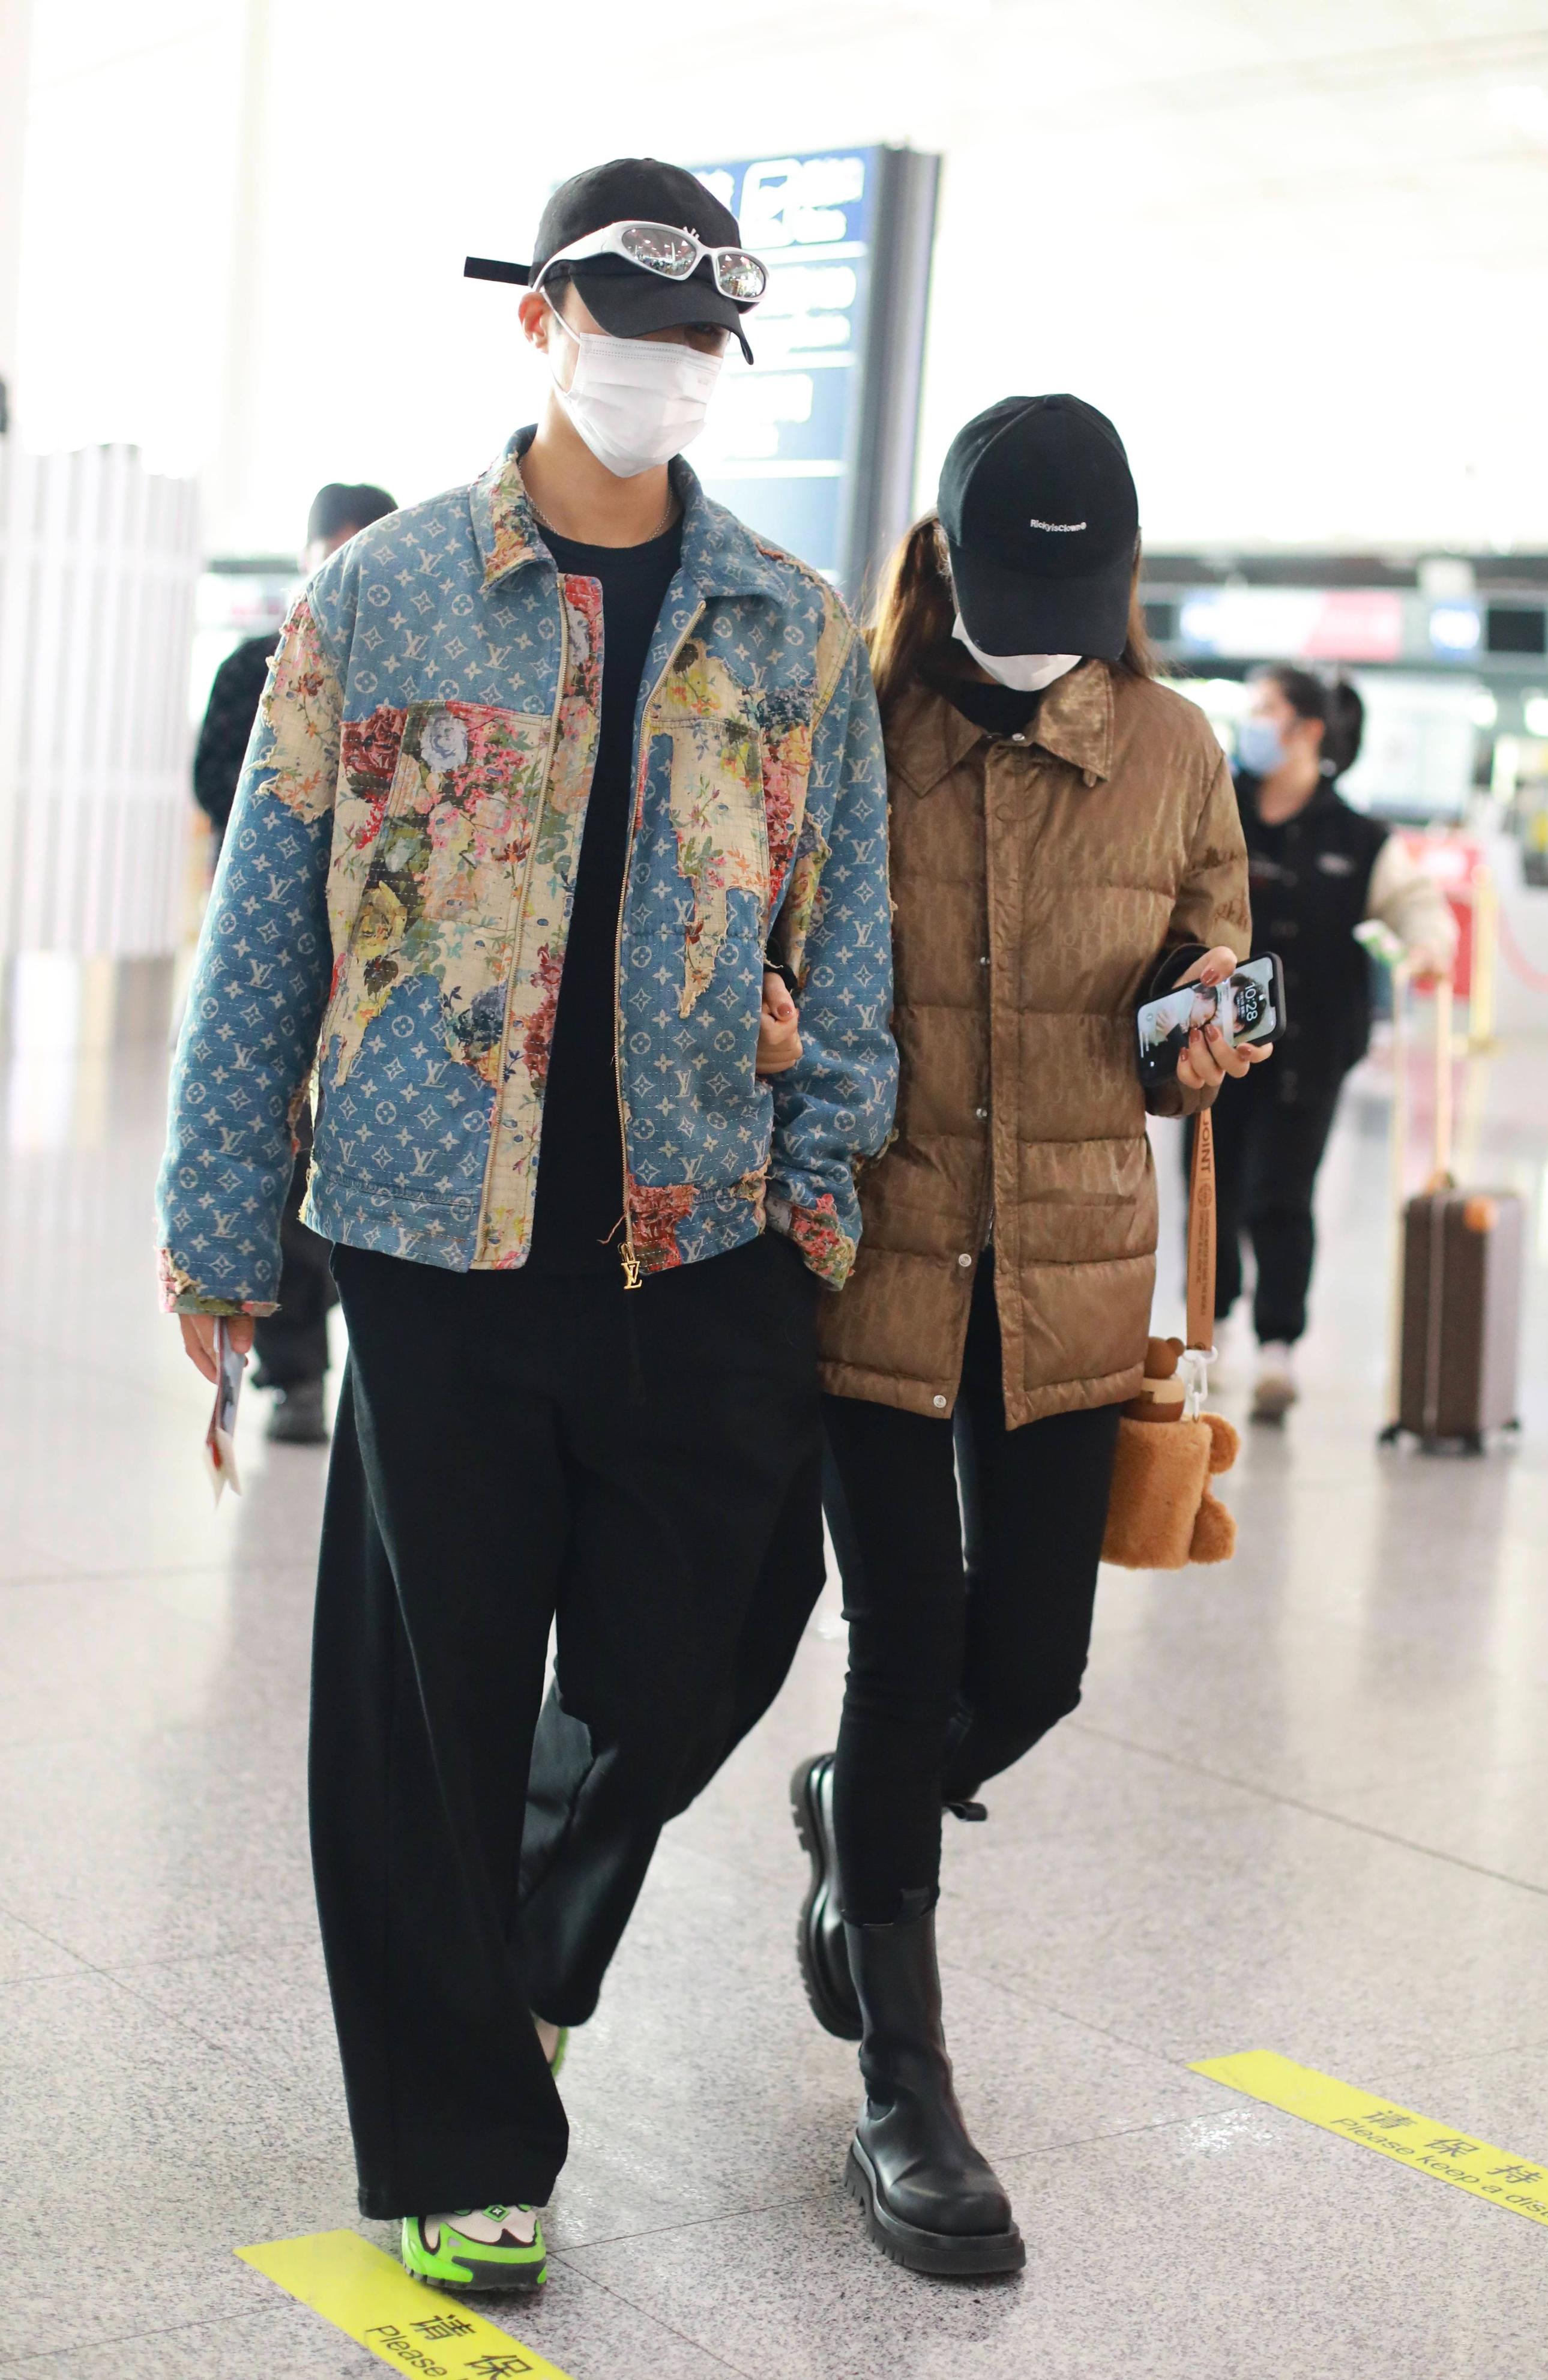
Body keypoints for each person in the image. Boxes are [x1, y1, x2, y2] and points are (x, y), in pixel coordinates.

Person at [157, 154, 895, 2293]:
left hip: (706, 1230)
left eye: (689, 343)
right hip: (428, 1238)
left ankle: (531, 1951)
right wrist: (223, 1234)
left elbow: (840, 927)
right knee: (430, 1695)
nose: (651, 370)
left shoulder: (783, 619)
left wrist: (823, 1166)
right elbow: (261, 939)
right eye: (619, 327)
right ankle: (467, 2137)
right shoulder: (377, 600)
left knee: (709, 1637)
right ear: (537, 322)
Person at [787, 396, 1263, 2276]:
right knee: (905, 1649)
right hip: (876, 1267)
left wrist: (1206, 1020)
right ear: (949, 564)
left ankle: (851, 1811)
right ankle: (906, 2093)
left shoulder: (1170, 747)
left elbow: (1192, 963)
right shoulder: (859, 730)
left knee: (1037, 1664)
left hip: (1068, 1272)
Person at [192, 480, 398, 1444]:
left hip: (371, 971)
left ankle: (344, 1357)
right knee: (276, 1165)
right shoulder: (256, 671)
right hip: (278, 957)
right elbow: (214, 782)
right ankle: (297, 1368)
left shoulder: (414, 681)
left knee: (343, 1164)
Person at [1203, 666, 1456, 1421]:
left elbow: (1416, 904)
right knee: (1210, 1188)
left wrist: (1430, 947)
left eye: (1264, 710)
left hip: (1310, 1048)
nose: (1251, 723)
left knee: (1283, 1193)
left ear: (1307, 729)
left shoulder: (1359, 836)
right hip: (1215, 1039)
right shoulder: (1218, 810)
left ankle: (1278, 1345)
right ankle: (1207, 1328)